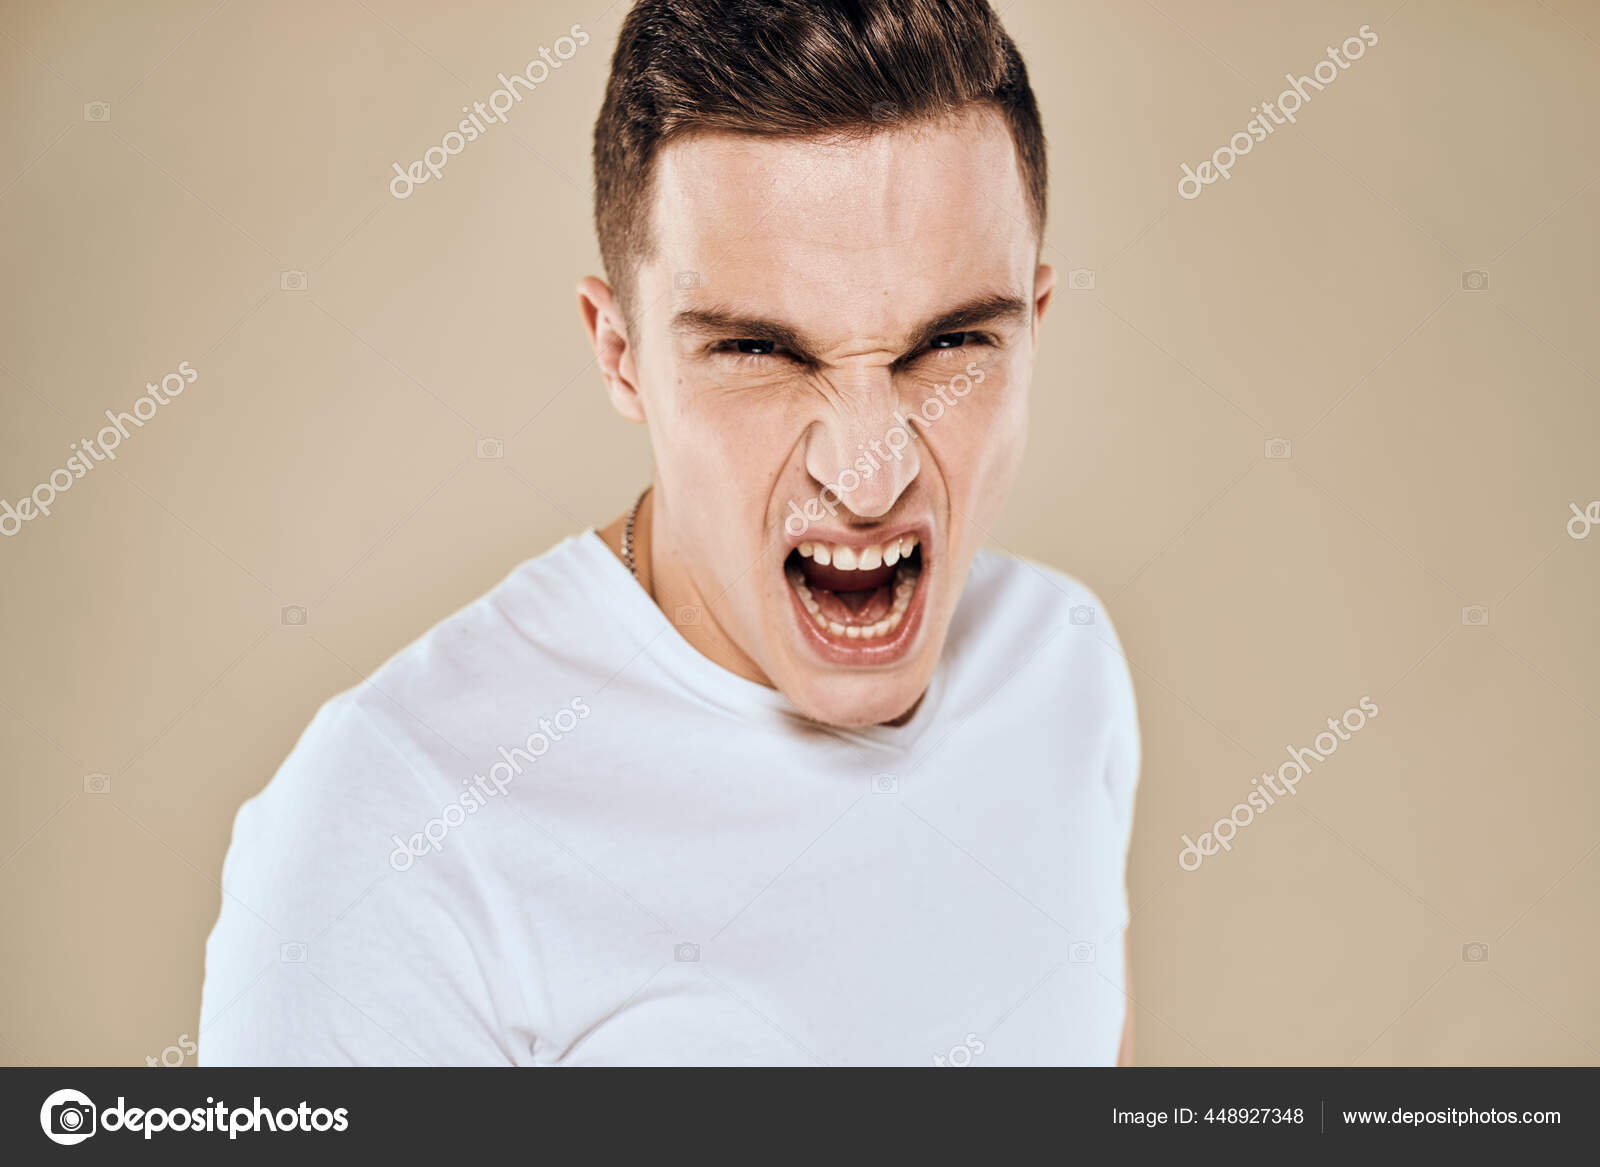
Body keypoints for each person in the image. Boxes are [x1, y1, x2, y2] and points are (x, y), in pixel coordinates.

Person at [200, 0, 1140, 1066]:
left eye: (952, 342)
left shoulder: (1062, 659)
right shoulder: (393, 823)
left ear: (1034, 329)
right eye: (758, 352)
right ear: (621, 355)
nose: (867, 476)